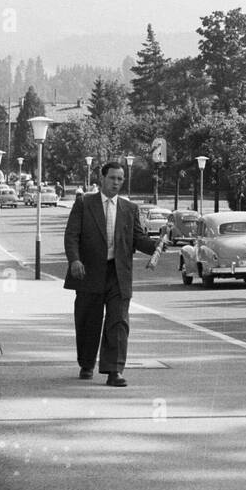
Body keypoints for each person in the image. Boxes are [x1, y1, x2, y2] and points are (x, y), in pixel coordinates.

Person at [63, 161, 166, 386]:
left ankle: (114, 370)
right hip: (89, 273)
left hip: (118, 274)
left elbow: (137, 239)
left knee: (118, 322)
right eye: (112, 178)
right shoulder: (84, 203)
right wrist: (74, 260)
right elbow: (72, 235)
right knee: (88, 322)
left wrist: (156, 245)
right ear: (102, 179)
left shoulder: (129, 209)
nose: (116, 183)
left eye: (120, 179)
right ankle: (87, 363)